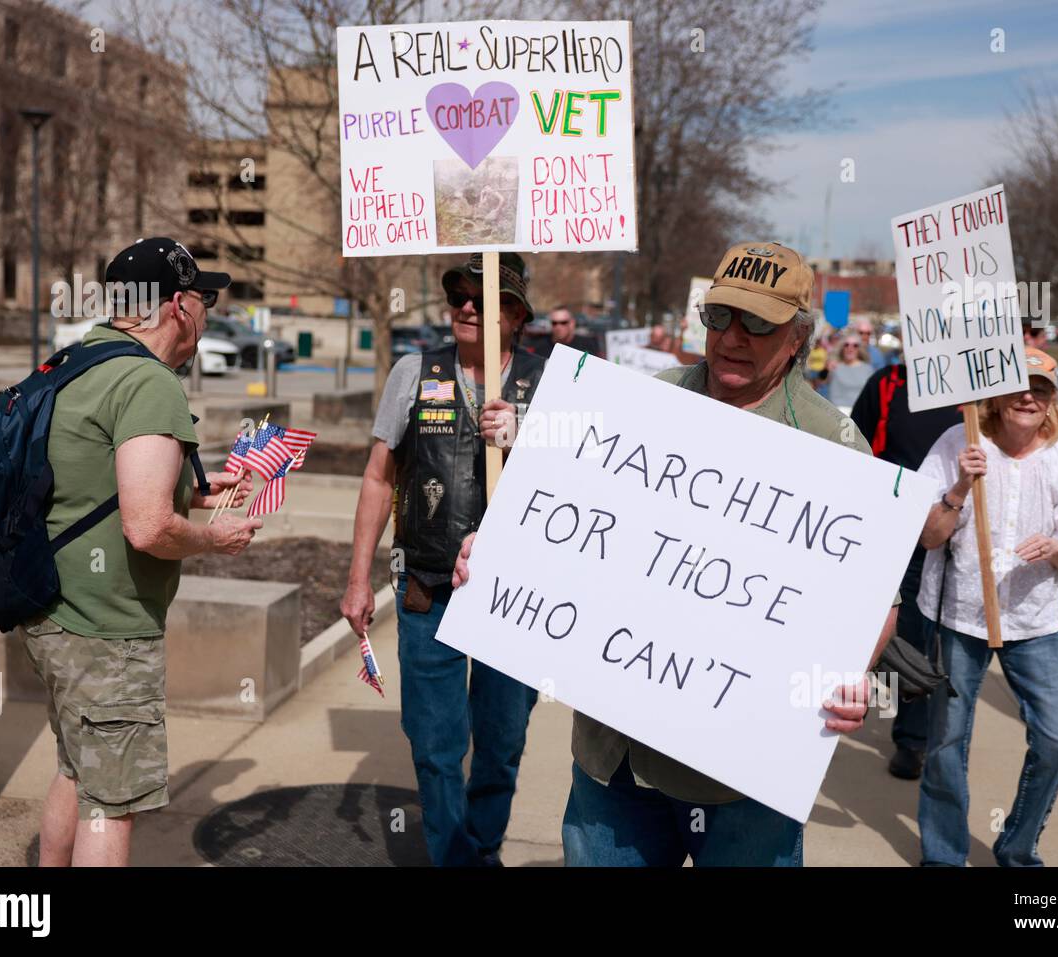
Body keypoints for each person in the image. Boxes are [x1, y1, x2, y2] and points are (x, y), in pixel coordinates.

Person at [453, 241, 898, 866]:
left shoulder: (834, 444)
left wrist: (852, 671)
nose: (733, 338)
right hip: (616, 761)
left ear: (797, 338)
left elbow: (875, 603)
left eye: (758, 324)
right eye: (720, 317)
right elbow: (566, 518)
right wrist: (499, 550)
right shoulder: (635, 403)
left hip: (741, 780)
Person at [24, 238, 261, 867]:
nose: (206, 312)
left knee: (78, 770)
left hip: (53, 612)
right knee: (113, 801)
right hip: (107, 629)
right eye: (204, 298)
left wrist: (200, 492)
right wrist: (218, 539)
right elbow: (150, 527)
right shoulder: (148, 383)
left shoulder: (75, 363)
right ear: (180, 307)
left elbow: (93, 482)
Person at [339, 252, 544, 866]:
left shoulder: (558, 381)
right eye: (458, 296)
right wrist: (358, 581)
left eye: (481, 299)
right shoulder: (413, 372)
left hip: (519, 601)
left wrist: (529, 433)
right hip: (428, 590)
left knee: (502, 744)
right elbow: (379, 478)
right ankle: (455, 860)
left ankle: (481, 850)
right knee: (434, 745)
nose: (466, 307)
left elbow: (593, 476)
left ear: (513, 314)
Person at [915, 348, 1058, 867]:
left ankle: (1017, 846)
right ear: (994, 394)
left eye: (1040, 390)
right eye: (1018, 387)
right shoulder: (959, 442)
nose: (1028, 397)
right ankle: (944, 855)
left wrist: (1056, 548)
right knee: (947, 742)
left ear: (1051, 400)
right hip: (960, 614)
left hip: (1034, 619)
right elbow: (929, 537)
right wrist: (959, 487)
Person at [850, 363, 962, 779]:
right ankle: (906, 731)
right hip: (890, 528)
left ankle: (927, 737)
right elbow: (854, 445)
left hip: (950, 534)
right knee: (895, 632)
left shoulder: (978, 394)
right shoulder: (889, 383)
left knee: (932, 639)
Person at [1022, 321, 1058, 414]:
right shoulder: (1002, 369)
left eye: (1034, 333)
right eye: (1021, 332)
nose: (1026, 337)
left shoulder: (1057, 371)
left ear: (1043, 338)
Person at [826, 335, 874, 409]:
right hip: (838, 411)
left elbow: (872, 394)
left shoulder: (868, 369)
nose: (850, 348)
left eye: (855, 345)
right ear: (842, 348)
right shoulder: (834, 367)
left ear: (859, 349)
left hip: (860, 411)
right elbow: (821, 382)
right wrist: (826, 369)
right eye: (846, 345)